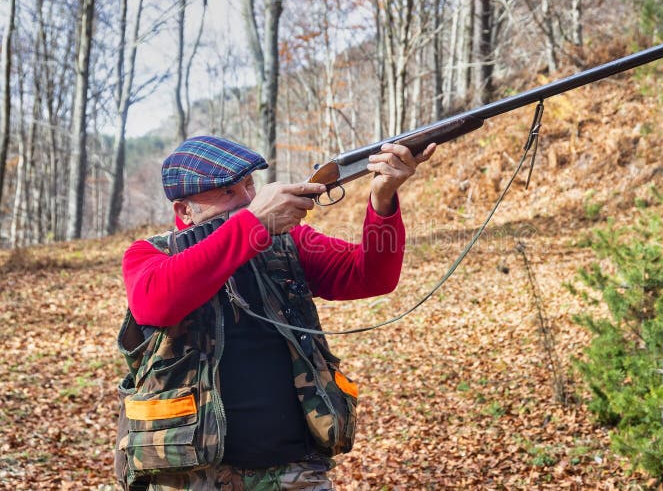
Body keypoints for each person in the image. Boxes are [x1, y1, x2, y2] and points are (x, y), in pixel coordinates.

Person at [114, 135, 435, 491]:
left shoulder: (286, 241)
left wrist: (383, 198)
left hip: (293, 469)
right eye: (227, 193)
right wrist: (252, 224)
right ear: (184, 212)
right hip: (190, 475)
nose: (250, 199)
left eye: (249, 185)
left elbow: (371, 276)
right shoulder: (150, 254)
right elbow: (155, 302)